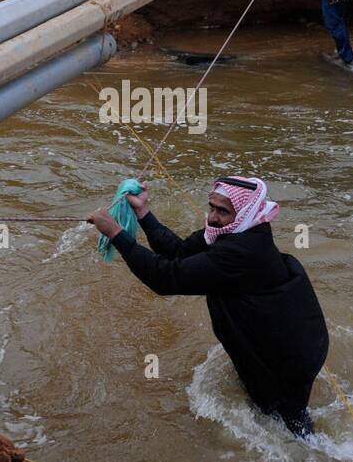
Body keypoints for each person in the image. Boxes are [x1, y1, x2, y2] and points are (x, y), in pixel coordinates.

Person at [89, 177, 329, 438]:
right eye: (212, 207)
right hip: (277, 337)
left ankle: (321, 458)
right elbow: (179, 253)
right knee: (267, 411)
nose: (213, 217)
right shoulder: (230, 230)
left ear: (245, 212)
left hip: (287, 354)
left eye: (223, 211)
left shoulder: (241, 251)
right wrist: (143, 213)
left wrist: (116, 233)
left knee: (287, 424)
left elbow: (165, 278)